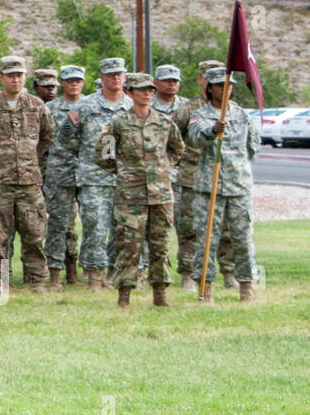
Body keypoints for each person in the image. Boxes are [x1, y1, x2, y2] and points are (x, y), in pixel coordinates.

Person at [0, 56, 55, 291]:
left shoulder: (36, 105)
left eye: (20, 75)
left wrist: (31, 159)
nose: (16, 80)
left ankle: (35, 280)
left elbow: (48, 136)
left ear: (25, 78)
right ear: (1, 77)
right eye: (11, 75)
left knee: (34, 233)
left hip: (29, 183)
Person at [96, 73, 184, 307]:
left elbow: (177, 149)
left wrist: (162, 168)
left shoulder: (165, 122)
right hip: (130, 196)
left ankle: (160, 296)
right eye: (141, 89)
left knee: (160, 245)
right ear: (130, 93)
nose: (147, 93)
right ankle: (124, 297)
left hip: (161, 195)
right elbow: (104, 156)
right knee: (128, 246)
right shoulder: (118, 123)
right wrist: (125, 171)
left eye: (150, 90)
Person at [187, 67, 261, 303]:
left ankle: (246, 286)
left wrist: (238, 167)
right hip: (210, 187)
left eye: (228, 85)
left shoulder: (242, 115)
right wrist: (212, 131)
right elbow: (194, 138)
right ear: (209, 88)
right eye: (219, 85)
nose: (224, 89)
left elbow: (253, 147)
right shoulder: (201, 114)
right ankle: (205, 286)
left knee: (243, 237)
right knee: (207, 237)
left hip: (238, 186)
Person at [57, 57, 130, 288]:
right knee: (95, 226)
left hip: (125, 179)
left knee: (123, 228)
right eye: (111, 75)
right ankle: (94, 275)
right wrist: (87, 156)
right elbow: (66, 136)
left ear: (125, 77)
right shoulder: (86, 106)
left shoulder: (132, 106)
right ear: (102, 78)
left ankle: (115, 273)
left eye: (119, 74)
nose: (116, 78)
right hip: (94, 178)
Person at [173, 60, 226, 292]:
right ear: (201, 80)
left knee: (226, 228)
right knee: (189, 226)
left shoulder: (230, 108)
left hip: (223, 177)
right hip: (192, 175)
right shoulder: (188, 108)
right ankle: (187, 273)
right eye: (208, 77)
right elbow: (171, 138)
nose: (212, 83)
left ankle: (230, 271)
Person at [43, 66, 86, 288]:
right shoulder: (49, 108)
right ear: (62, 83)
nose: (74, 84)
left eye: (78, 80)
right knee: (59, 224)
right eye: (69, 80)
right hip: (59, 172)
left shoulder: (91, 106)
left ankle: (78, 272)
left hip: (89, 172)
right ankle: (55, 274)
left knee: (90, 224)